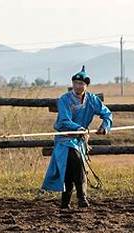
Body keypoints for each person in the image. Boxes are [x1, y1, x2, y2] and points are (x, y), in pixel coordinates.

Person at [41, 66, 112, 209]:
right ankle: (78, 198)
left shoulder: (92, 100)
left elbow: (107, 114)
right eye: (75, 83)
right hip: (65, 139)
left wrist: (105, 126)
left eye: (81, 84)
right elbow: (64, 120)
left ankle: (73, 200)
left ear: (86, 85)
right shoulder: (64, 100)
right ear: (72, 84)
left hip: (80, 140)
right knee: (73, 160)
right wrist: (78, 128)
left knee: (73, 164)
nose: (78, 86)